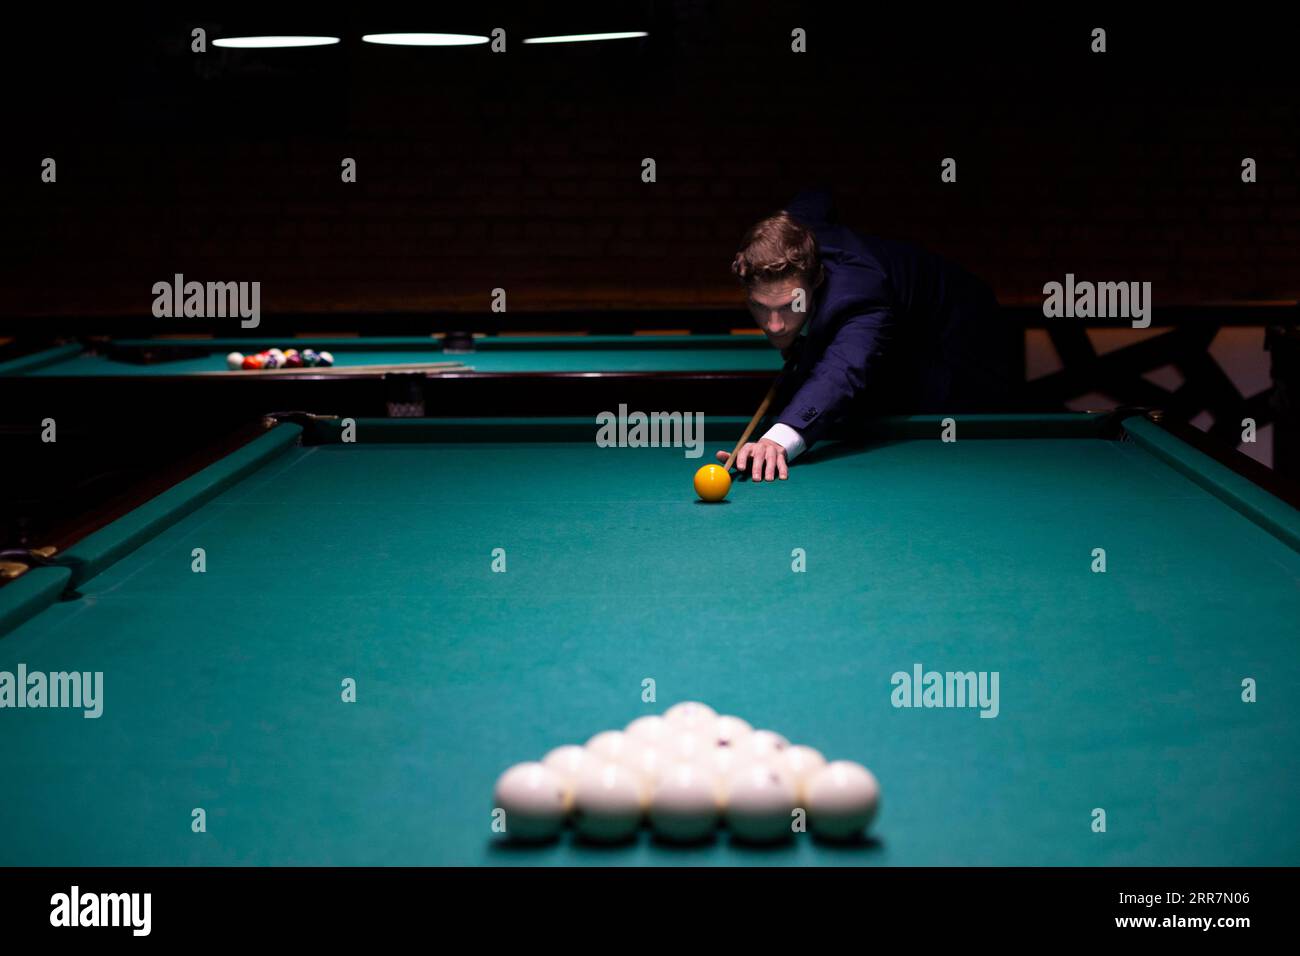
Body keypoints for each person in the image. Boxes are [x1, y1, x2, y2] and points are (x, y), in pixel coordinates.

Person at [721, 188, 1020, 482]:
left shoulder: (861, 297)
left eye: (789, 306)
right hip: (905, 324)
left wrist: (780, 438)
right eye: (761, 307)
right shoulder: (791, 231)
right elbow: (817, 196)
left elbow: (842, 371)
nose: (774, 326)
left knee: (935, 410)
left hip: (963, 333)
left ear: (817, 279)